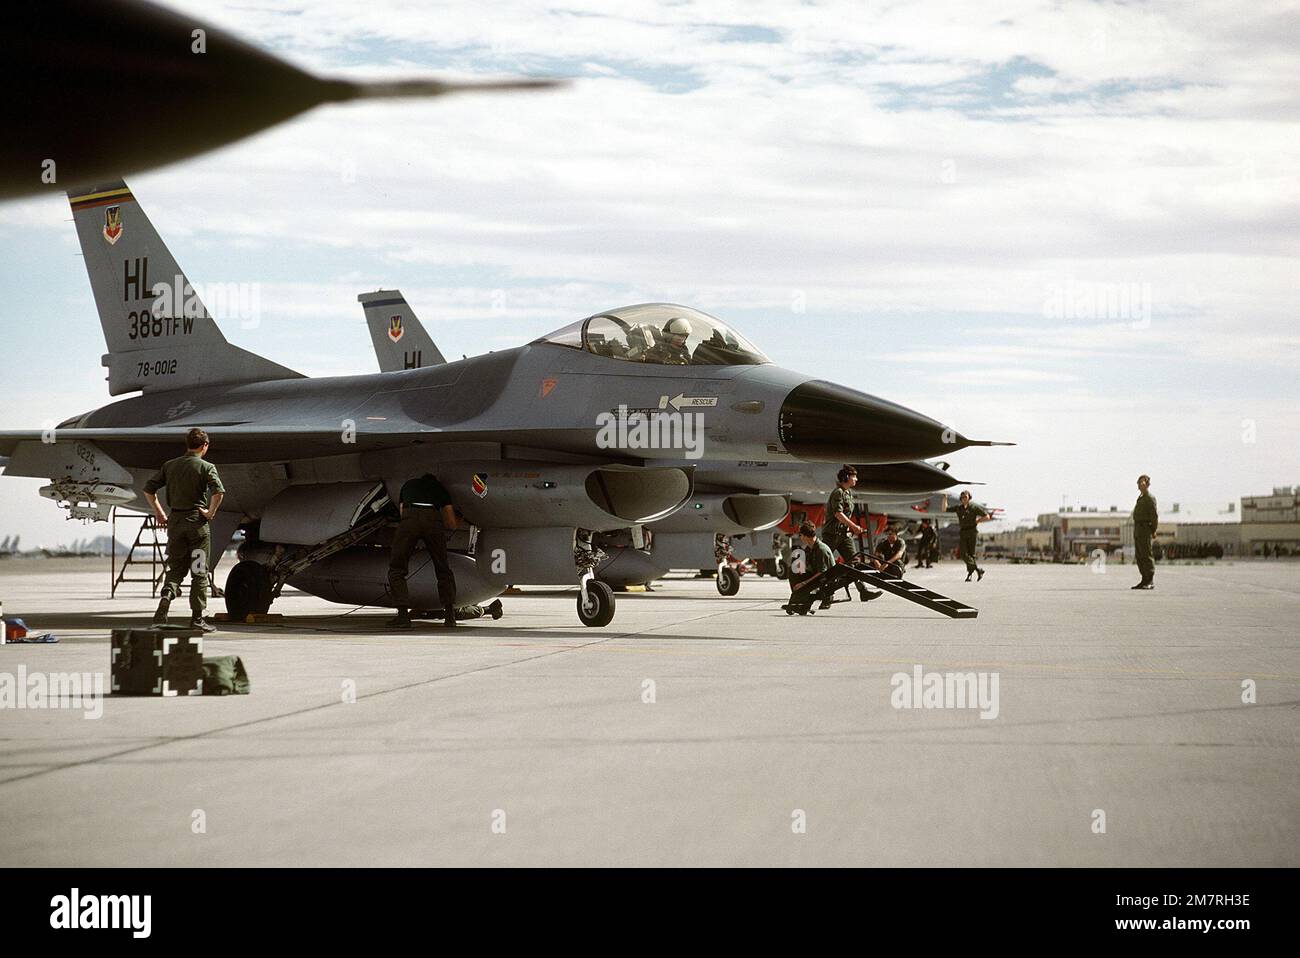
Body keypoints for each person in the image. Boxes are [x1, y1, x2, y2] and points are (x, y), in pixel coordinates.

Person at [143, 428, 224, 632]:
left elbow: (148, 490)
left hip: (175, 523)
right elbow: (219, 492)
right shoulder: (206, 467)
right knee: (199, 572)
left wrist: (160, 514)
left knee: (176, 569)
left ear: (187, 444)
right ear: (204, 445)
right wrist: (210, 512)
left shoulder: (170, 466)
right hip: (197, 525)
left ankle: (165, 603)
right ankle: (197, 618)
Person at [388, 472, 458, 628]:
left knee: (397, 568)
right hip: (432, 520)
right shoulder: (439, 488)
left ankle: (403, 617)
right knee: (442, 568)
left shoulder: (408, 485)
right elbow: (452, 523)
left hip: (409, 518)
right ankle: (450, 616)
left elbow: (402, 512)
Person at [821, 465, 881, 602]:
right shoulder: (838, 493)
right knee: (825, 564)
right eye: (854, 476)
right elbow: (838, 513)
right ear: (847, 478)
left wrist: (851, 528)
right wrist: (854, 526)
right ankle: (824, 593)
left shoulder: (848, 493)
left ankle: (862, 591)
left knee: (854, 562)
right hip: (832, 534)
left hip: (844, 535)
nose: (856, 479)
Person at [947, 490, 993, 581]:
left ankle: (970, 575)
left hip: (972, 532)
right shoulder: (958, 508)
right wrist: (944, 498)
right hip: (963, 532)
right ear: (961, 499)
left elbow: (987, 516)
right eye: (962, 497)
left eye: (966, 497)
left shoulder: (974, 507)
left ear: (969, 498)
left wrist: (978, 521)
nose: (964, 499)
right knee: (963, 554)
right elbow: (944, 509)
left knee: (971, 555)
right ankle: (978, 570)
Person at [1131, 474, 1158, 590]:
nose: (1140, 484)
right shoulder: (1141, 498)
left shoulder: (1149, 498)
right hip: (1138, 529)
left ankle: (1150, 580)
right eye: (1139, 483)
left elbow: (1154, 517)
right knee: (1139, 555)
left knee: (1147, 555)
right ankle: (1144, 579)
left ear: (1147, 484)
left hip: (1145, 529)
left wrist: (1153, 530)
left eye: (1142, 482)